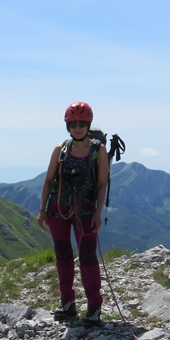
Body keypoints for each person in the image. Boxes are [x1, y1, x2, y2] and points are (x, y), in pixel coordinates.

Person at [36, 101, 110, 327]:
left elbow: (101, 184)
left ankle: (94, 306)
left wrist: (98, 213)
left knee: (88, 258)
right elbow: (48, 180)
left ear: (88, 124)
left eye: (82, 123)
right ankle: (67, 302)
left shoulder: (99, 151)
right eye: (73, 123)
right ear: (68, 125)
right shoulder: (60, 149)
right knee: (63, 256)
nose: (77, 127)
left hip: (85, 210)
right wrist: (41, 210)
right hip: (57, 208)